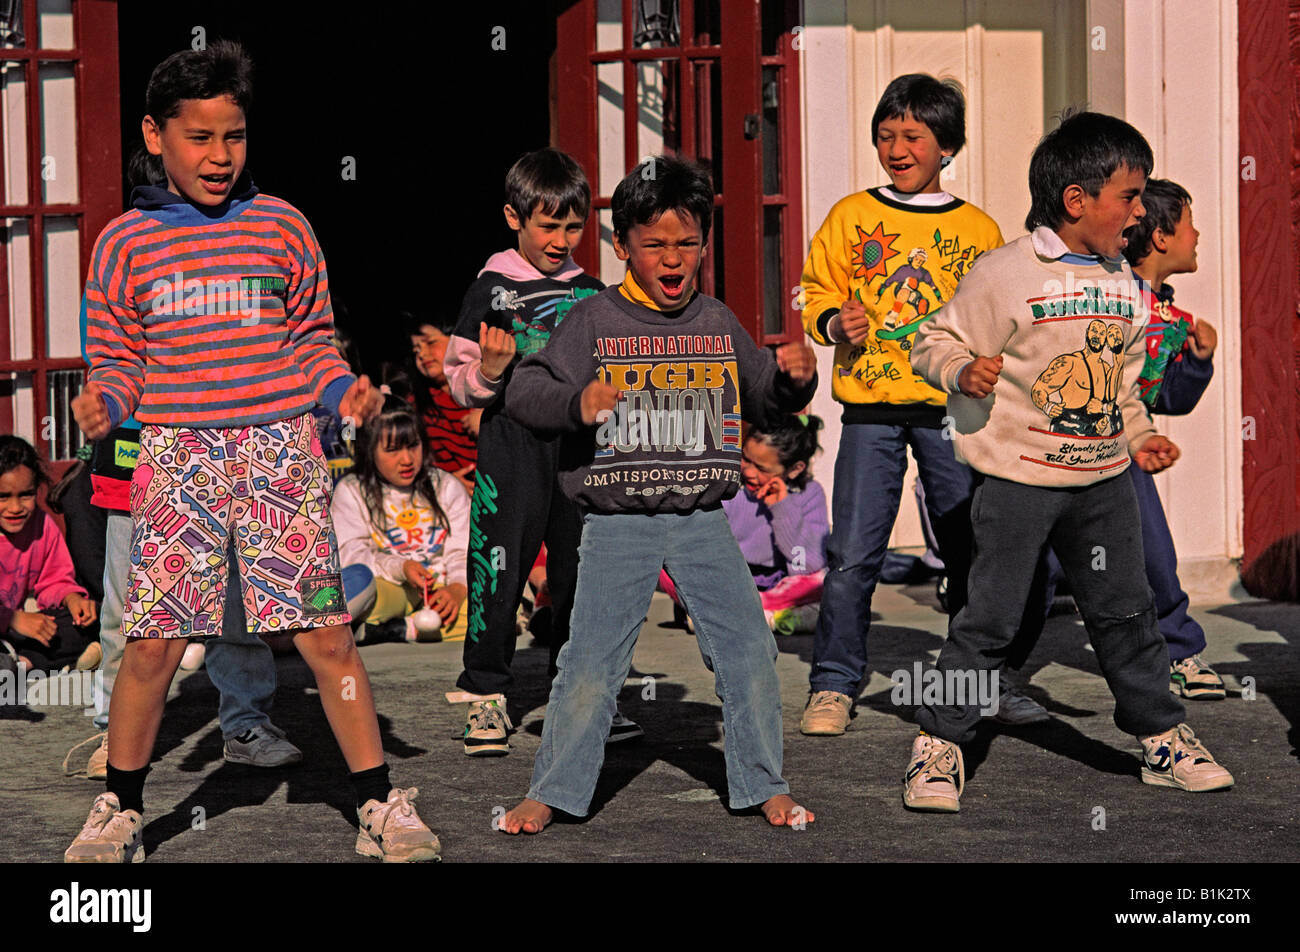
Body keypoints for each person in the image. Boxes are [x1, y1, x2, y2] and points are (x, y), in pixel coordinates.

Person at [65, 40, 439, 863]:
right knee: (154, 642)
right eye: (198, 137)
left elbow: (310, 343)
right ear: (155, 135)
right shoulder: (125, 243)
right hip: (177, 457)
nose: (219, 156)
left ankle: (378, 801)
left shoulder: (285, 227)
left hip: (280, 453)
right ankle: (120, 807)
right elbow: (120, 361)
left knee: (327, 635)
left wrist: (344, 392)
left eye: (233, 136)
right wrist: (108, 405)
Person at [901, 111, 1233, 812]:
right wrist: (962, 370)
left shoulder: (1123, 285)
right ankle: (940, 743)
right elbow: (932, 340)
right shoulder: (1004, 273)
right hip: (1019, 484)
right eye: (1129, 196)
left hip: (1105, 484)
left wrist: (1141, 436)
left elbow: (1125, 384)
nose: (1141, 212)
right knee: (987, 618)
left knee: (1126, 614)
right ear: (1076, 200)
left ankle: (1163, 736)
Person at [498, 155, 818, 834]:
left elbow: (764, 396)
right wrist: (576, 401)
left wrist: (794, 380)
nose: (672, 259)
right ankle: (553, 789)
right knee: (588, 664)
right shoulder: (593, 322)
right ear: (621, 247)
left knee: (749, 654)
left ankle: (764, 782)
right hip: (618, 524)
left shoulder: (716, 321)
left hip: (703, 519)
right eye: (654, 244)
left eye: (687, 243)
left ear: (704, 243)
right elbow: (526, 389)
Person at [798, 73, 1047, 736]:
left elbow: (998, 313)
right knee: (853, 552)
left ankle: (981, 680)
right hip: (870, 412)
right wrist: (831, 325)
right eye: (886, 135)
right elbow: (813, 291)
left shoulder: (978, 227)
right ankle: (834, 683)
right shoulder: (851, 216)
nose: (897, 147)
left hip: (953, 413)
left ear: (948, 145)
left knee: (971, 548)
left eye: (913, 135)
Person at [443, 147, 638, 757]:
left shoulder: (595, 292)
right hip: (512, 447)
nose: (560, 239)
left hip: (581, 451)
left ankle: (584, 692)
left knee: (582, 572)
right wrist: (492, 374)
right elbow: (457, 380)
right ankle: (485, 695)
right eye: (547, 225)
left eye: (572, 226)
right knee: (497, 568)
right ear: (514, 217)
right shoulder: (490, 289)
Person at [1122, 178, 1225, 699]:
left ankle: (1179, 653)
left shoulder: (1171, 317)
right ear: (1161, 235)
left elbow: (1167, 400)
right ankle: (995, 676)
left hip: (1127, 457)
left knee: (1153, 553)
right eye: (1189, 222)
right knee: (1033, 570)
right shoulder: (1108, 294)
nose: (1198, 232)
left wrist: (1197, 361)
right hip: (1065, 452)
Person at [660, 414, 829, 635]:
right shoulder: (730, 488)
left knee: (824, 581)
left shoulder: (809, 494)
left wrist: (783, 508)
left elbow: (807, 565)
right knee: (667, 570)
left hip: (779, 587)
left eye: (762, 468)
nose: (748, 471)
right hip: (730, 583)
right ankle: (765, 617)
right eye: (746, 459)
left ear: (795, 469)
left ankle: (730, 616)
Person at [334, 399, 469, 642]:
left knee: (497, 609)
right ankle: (410, 628)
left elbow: (462, 548)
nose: (407, 459)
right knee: (358, 586)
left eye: (413, 446)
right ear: (369, 449)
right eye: (393, 449)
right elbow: (351, 554)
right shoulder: (351, 490)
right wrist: (402, 567)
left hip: (442, 589)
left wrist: (457, 588)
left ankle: (394, 630)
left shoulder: (445, 485)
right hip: (390, 589)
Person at [0, 436, 99, 673]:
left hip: (16, 632)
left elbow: (54, 578)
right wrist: (11, 619)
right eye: (3, 497)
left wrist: (72, 598)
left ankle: (20, 664)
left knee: (85, 621)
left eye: (26, 495)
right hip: (10, 624)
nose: (15, 508)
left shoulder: (42, 526)